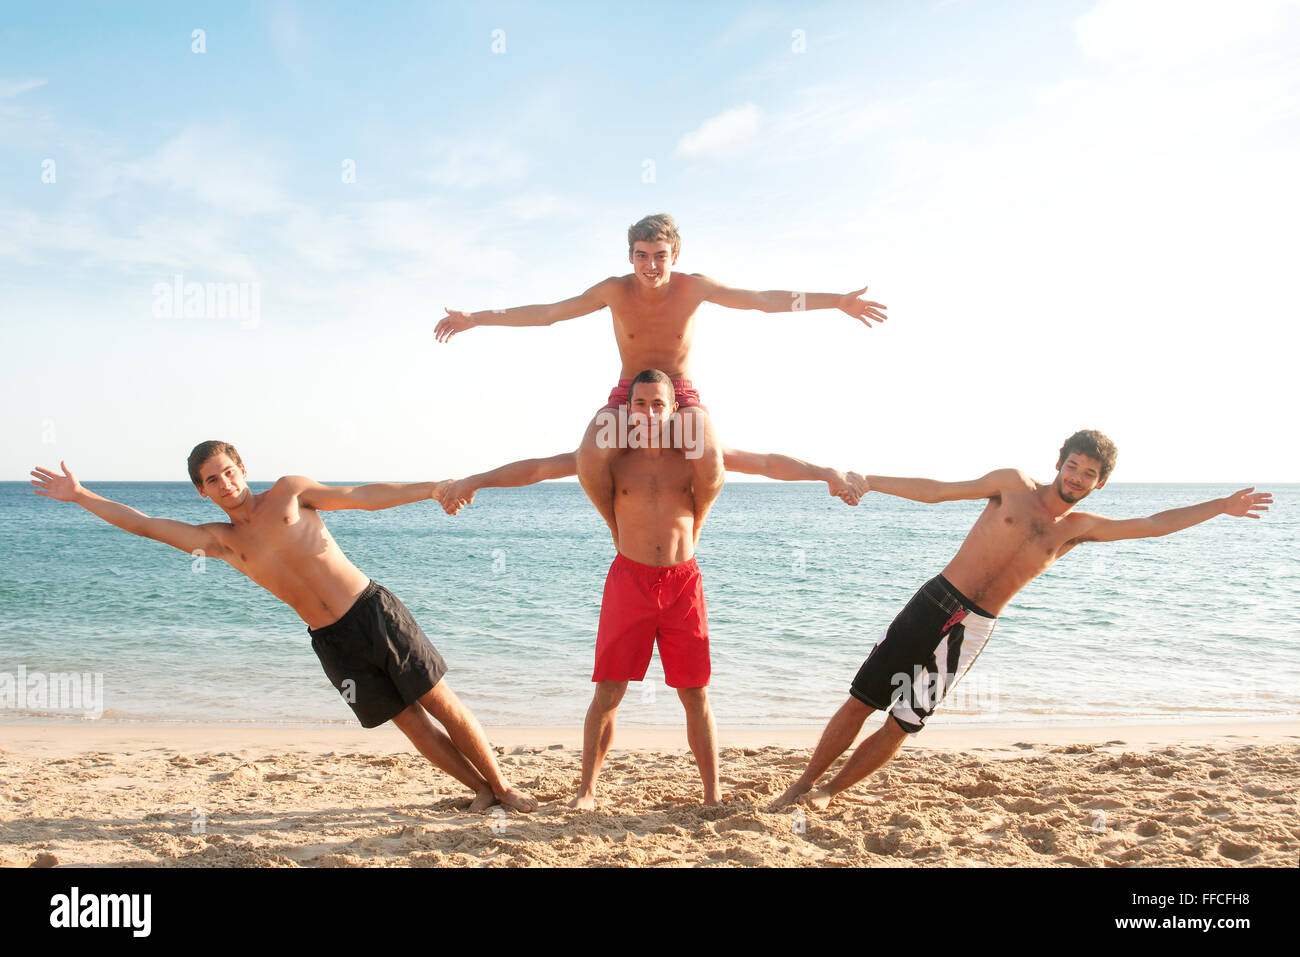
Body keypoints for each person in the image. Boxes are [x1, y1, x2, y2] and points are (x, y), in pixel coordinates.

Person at [771, 429, 1272, 810]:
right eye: (1072, 466)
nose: (1077, 477)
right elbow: (940, 490)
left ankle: (830, 792)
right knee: (863, 700)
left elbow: (1155, 525)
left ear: (1099, 484)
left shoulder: (1079, 529)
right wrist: (870, 481)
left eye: (1089, 474)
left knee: (905, 721)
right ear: (1059, 463)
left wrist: (1221, 506)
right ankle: (803, 782)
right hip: (935, 602)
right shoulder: (1011, 486)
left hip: (973, 630)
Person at [30, 443, 537, 813]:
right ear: (202, 491)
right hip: (331, 641)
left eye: (229, 472)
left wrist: (431, 489)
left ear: (242, 469)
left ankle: (503, 785)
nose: (225, 484)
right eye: (212, 480)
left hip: (372, 610)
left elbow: (360, 495)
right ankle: (482, 790)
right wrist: (81, 496)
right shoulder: (222, 541)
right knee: (407, 720)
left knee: (439, 702)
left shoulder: (291, 494)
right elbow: (142, 523)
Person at [443, 370, 862, 807]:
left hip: (683, 582)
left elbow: (769, 463)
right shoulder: (615, 457)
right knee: (609, 690)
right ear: (626, 410)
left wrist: (825, 473)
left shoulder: (692, 453)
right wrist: (474, 481)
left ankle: (712, 795)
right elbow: (538, 468)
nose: (648, 413)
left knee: (695, 693)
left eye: (657, 404)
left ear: (674, 408)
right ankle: (586, 791)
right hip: (630, 581)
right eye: (639, 404)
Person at [434, 212, 887, 540]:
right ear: (631, 256)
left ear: (675, 255)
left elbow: (763, 299)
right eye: (642, 255)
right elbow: (548, 313)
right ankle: (617, 529)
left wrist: (837, 301)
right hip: (630, 393)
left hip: (680, 393)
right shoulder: (614, 289)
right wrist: (475, 317)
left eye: (660, 256)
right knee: (589, 452)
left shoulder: (695, 287)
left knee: (711, 450)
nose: (651, 265)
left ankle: (698, 525)